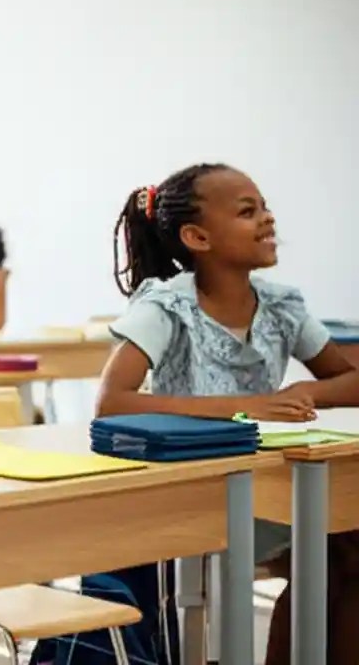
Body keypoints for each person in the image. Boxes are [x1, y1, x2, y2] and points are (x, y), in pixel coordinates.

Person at [93, 164, 359, 665]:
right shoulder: (168, 306)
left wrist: (306, 389)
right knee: (337, 550)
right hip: (192, 495)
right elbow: (112, 402)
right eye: (247, 211)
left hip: (265, 487)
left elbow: (351, 379)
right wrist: (245, 408)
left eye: (264, 208)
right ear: (198, 237)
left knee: (347, 545)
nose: (267, 219)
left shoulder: (281, 307)